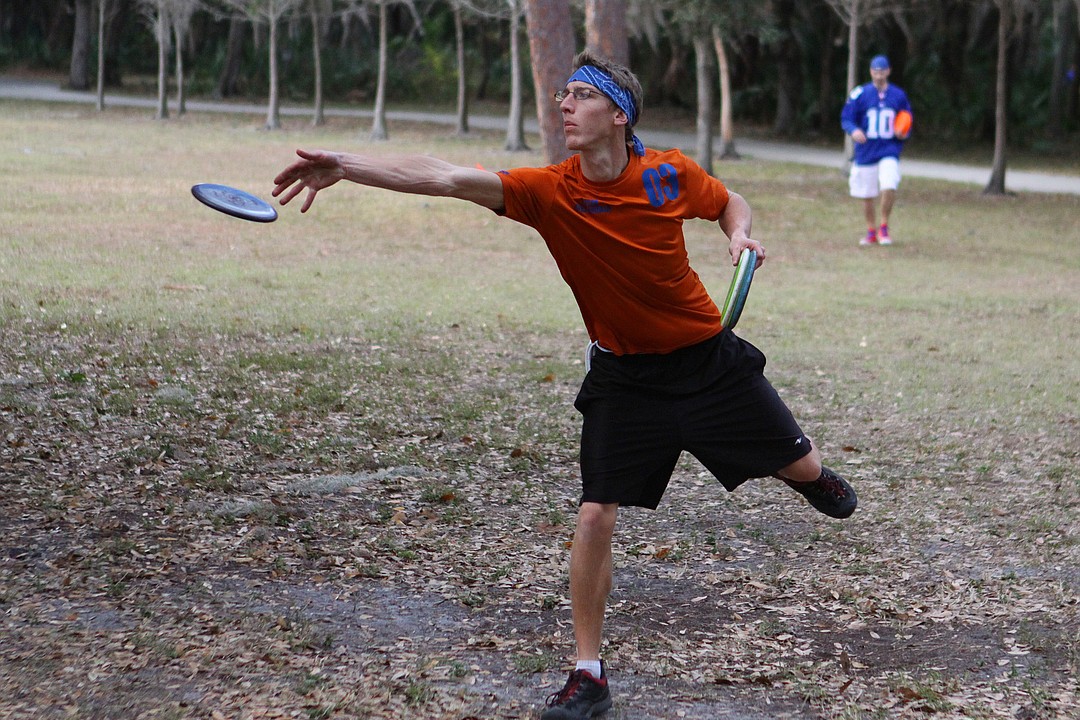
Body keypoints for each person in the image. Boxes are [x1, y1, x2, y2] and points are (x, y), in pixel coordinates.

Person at [273, 50, 857, 720]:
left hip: (706, 362)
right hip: (623, 378)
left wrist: (740, 237)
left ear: (617, 114)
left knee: (801, 467)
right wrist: (346, 166)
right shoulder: (550, 190)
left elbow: (729, 202)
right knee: (594, 513)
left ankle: (811, 476)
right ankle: (588, 674)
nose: (563, 104)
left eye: (579, 95)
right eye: (563, 95)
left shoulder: (668, 176)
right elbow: (444, 177)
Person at [841, 54, 913, 246]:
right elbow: (846, 117)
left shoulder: (898, 95)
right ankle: (871, 230)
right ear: (871, 72)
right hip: (866, 151)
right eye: (875, 71)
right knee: (867, 193)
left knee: (889, 184)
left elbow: (907, 118)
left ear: (888, 71)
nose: (879, 75)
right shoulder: (860, 94)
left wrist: (903, 132)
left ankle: (884, 226)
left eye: (882, 71)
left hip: (889, 149)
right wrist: (854, 130)